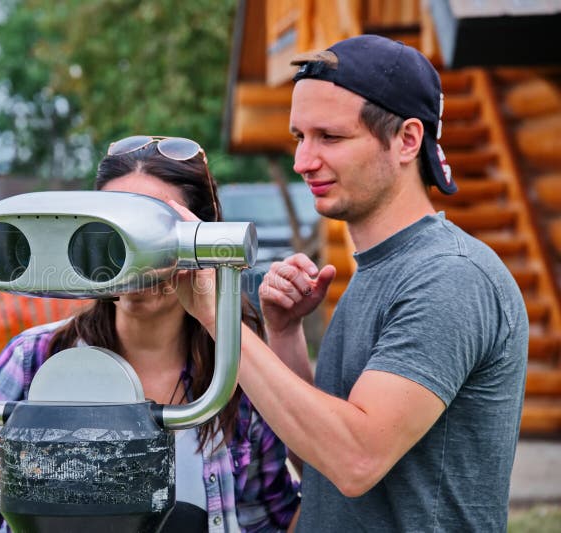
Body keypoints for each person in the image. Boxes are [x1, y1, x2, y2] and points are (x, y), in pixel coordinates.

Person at [172, 35, 529, 531]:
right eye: (299, 137)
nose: (303, 161)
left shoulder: (450, 276)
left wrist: (216, 314)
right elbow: (315, 457)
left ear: (407, 139)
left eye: (330, 137)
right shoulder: (380, 269)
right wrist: (285, 333)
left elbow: (355, 461)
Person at [0, 136, 302, 532]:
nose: (133, 256)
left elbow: (273, 519)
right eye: (112, 233)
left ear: (203, 239)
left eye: (153, 232)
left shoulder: (237, 372)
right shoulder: (35, 357)